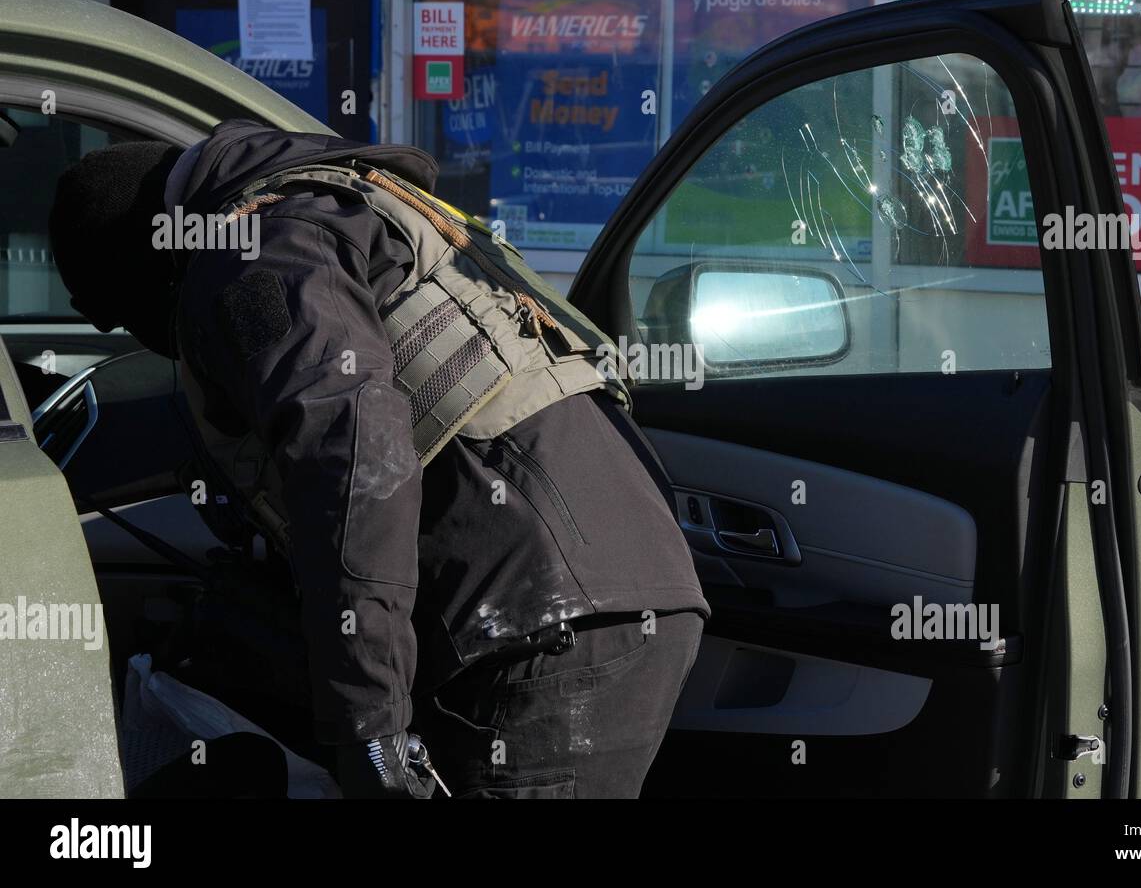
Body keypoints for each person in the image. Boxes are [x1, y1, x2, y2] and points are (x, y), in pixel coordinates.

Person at [49, 121, 708, 798]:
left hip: (540, 621)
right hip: (598, 592)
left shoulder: (253, 253)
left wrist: (368, 721)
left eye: (136, 318)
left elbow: (352, 453)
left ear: (152, 266)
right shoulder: (339, 203)